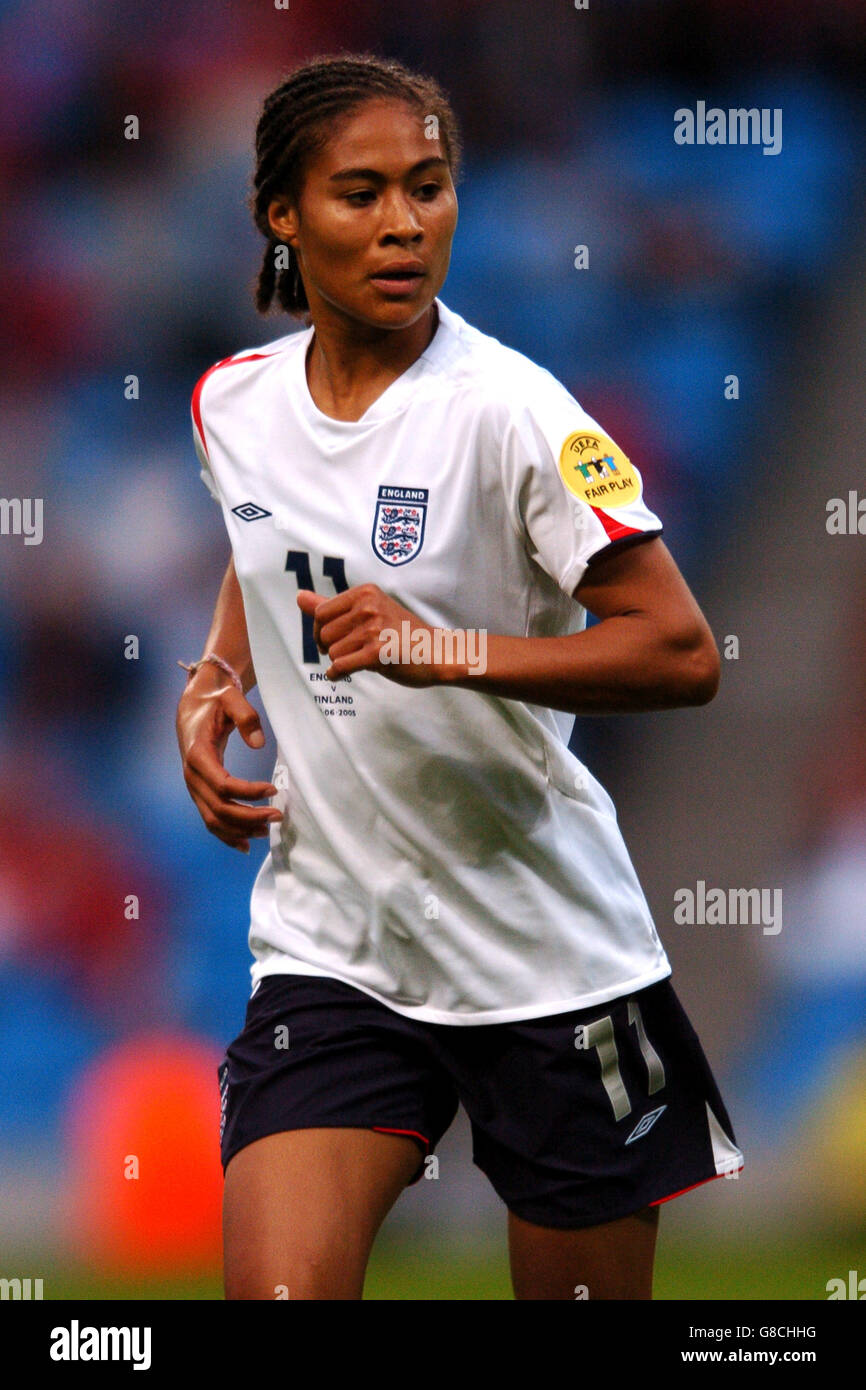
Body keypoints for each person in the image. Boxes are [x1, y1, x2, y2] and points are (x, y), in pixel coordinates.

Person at [176, 52, 742, 1301]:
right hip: (337, 941)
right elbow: (259, 540)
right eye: (361, 192)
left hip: (544, 957)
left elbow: (681, 648)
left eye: (427, 189)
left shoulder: (515, 414)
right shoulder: (234, 402)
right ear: (282, 214)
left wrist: (448, 651)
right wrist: (214, 679)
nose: (402, 224)